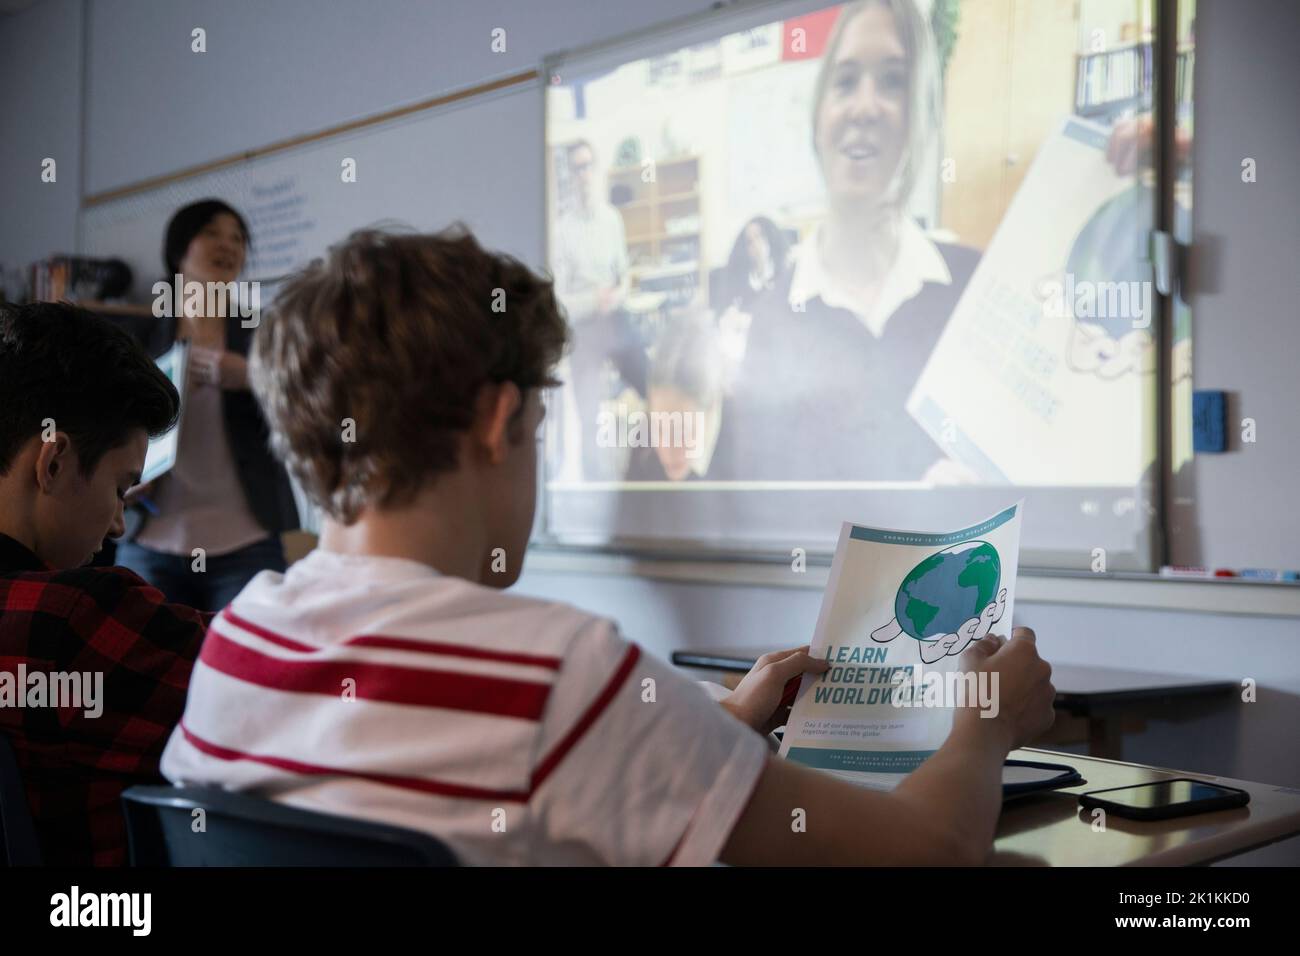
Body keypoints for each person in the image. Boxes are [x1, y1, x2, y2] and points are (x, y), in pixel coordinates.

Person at [159, 225, 1055, 866]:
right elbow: (928, 850)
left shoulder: (235, 643)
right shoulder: (560, 677)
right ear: (500, 418)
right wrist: (983, 723)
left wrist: (714, 730)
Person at [722, 0, 980, 482]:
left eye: (892, 81)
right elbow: (762, 521)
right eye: (845, 82)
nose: (864, 106)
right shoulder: (773, 321)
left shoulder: (975, 293)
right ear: (819, 116)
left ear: (921, 111)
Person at [0, 302, 209, 865]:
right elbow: (269, 673)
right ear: (54, 463)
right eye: (121, 488)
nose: (119, 523)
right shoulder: (76, 617)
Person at [115, 199, 299, 612]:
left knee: (251, 669)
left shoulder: (264, 333)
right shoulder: (141, 337)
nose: (228, 245)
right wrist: (118, 482)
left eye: (237, 238)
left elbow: (310, 409)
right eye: (212, 233)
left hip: (246, 541)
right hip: (151, 540)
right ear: (179, 248)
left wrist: (253, 376)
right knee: (141, 671)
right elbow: (108, 427)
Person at [551, 139, 640, 479]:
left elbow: (625, 275)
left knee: (649, 384)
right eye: (577, 167)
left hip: (616, 318)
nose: (584, 174)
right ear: (570, 175)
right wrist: (593, 300)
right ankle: (594, 484)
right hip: (585, 327)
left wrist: (614, 296)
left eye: (588, 165)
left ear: (596, 168)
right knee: (588, 414)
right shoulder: (563, 230)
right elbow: (559, 296)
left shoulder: (612, 219)